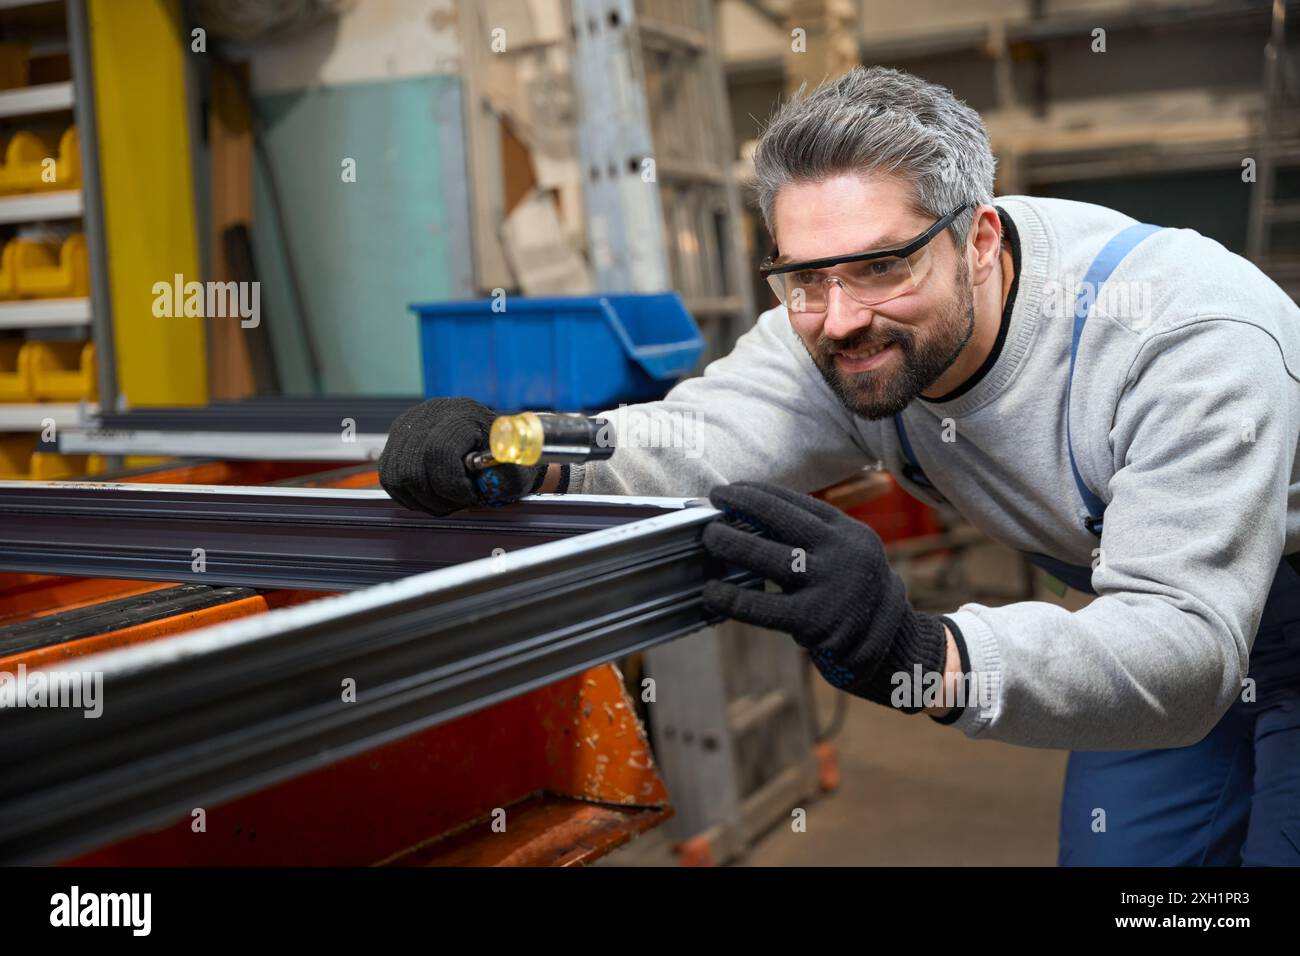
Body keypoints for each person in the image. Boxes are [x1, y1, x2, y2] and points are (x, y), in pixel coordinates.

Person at [379, 67, 1300, 866]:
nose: (840, 316)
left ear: (977, 243)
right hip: (1133, 627)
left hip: (1212, 619)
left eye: (880, 268)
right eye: (806, 279)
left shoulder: (1184, 339)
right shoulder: (833, 331)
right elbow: (696, 440)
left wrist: (922, 653)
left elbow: (1186, 647)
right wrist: (523, 453)